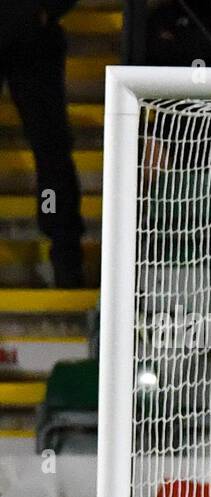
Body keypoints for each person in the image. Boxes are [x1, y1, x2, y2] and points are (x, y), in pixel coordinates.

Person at [0, 1, 83, 288]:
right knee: (51, 152)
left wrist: (45, 9)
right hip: (34, 26)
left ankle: (65, 255)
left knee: (51, 151)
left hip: (35, 34)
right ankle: (65, 254)